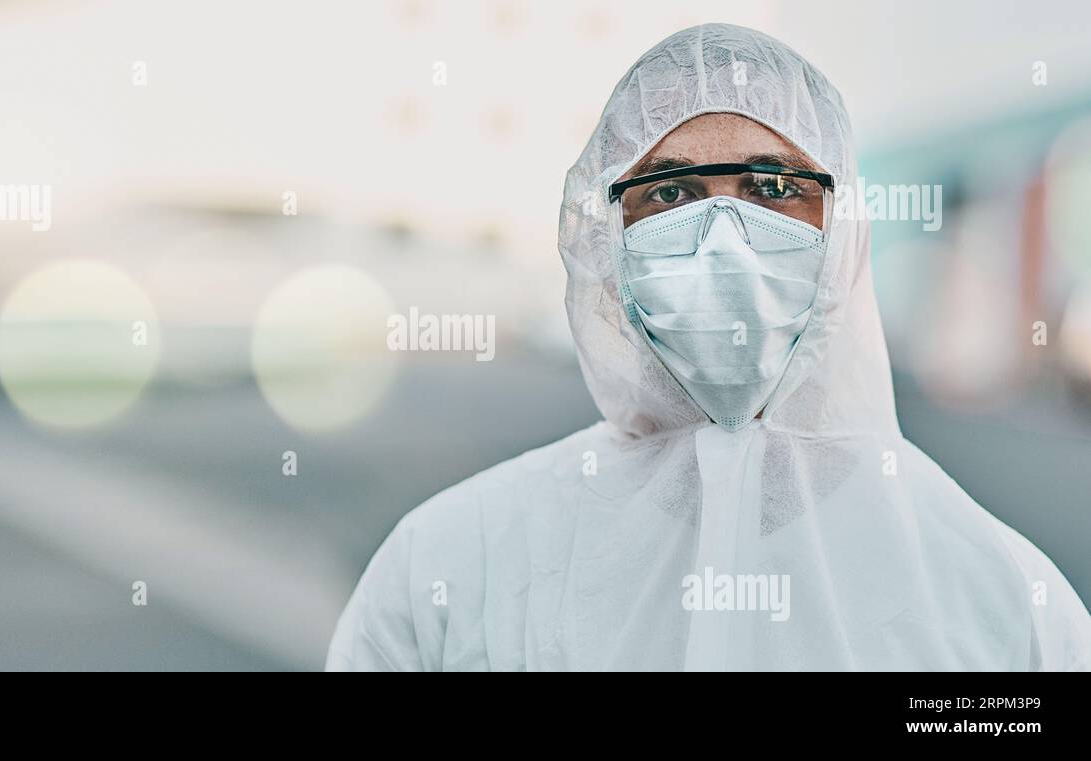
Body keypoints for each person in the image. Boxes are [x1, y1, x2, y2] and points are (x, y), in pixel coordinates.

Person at [325, 23, 1091, 671]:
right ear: (602, 238)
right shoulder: (449, 574)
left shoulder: (1004, 609)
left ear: (844, 231)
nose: (723, 242)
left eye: (771, 185)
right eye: (669, 192)